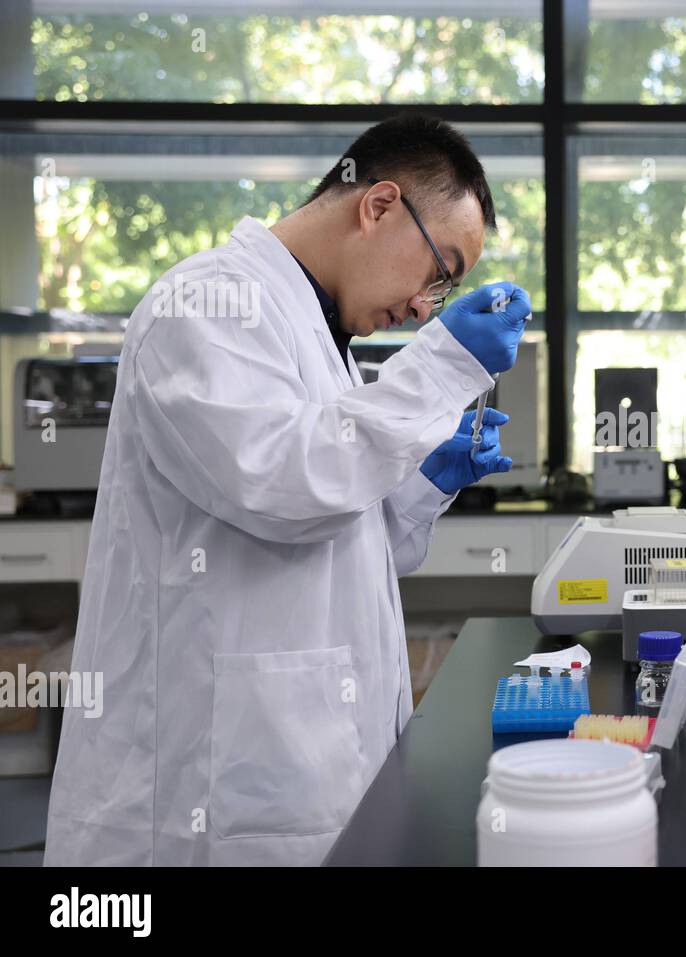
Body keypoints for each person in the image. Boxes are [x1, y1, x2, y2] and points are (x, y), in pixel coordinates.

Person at [44, 115, 531, 866]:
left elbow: (341, 546)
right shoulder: (206, 306)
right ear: (377, 205)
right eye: (440, 270)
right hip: (210, 789)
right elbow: (280, 483)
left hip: (303, 768)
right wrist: (440, 366)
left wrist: (420, 487)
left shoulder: (322, 338)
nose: (426, 306)